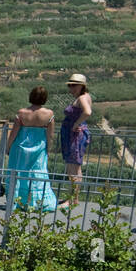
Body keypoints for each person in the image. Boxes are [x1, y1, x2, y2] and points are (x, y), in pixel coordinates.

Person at [5, 85, 58, 213]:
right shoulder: (49, 114)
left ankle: (17, 201)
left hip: (20, 148)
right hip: (39, 148)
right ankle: (37, 202)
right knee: (38, 172)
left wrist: (8, 147)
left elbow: (14, 133)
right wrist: (48, 149)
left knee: (18, 172)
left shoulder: (22, 113)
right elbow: (50, 135)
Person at [58, 73, 93, 209]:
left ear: (81, 86)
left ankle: (72, 199)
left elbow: (87, 112)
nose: (71, 88)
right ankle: (73, 198)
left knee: (73, 168)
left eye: (74, 85)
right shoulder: (84, 97)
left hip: (75, 136)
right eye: (70, 85)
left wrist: (76, 124)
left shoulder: (82, 98)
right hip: (74, 135)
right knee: (74, 168)